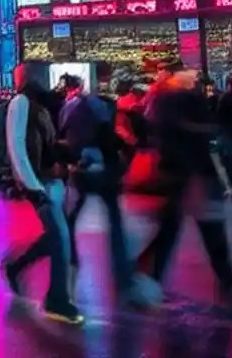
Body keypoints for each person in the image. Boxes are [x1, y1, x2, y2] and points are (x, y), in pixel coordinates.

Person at [135, 68, 232, 301]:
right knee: (183, 229)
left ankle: (149, 276)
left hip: (186, 174)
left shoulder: (169, 103)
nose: (194, 78)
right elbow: (181, 137)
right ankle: (147, 275)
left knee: (183, 229)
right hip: (186, 174)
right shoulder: (173, 103)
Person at [57, 74, 152, 306]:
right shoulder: (101, 106)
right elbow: (111, 137)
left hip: (82, 170)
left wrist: (72, 163)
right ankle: (122, 278)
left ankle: (68, 264)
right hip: (104, 169)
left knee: (69, 219)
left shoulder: (70, 109)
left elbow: (67, 139)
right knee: (114, 224)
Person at [0, 62, 83, 325]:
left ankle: (17, 266)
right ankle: (57, 299)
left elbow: (38, 143)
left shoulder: (40, 104)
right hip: (39, 181)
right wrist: (31, 186)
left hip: (47, 179)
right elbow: (16, 146)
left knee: (58, 235)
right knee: (60, 236)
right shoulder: (22, 103)